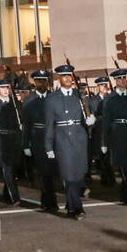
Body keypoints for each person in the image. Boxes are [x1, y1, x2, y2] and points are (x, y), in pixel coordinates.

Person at [43, 64, 95, 218]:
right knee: (69, 174)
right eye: (64, 76)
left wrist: (90, 121)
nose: (67, 78)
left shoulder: (80, 96)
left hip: (79, 138)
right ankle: (77, 207)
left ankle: (71, 206)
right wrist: (48, 146)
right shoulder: (52, 98)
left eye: (69, 76)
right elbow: (49, 124)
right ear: (59, 79)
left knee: (78, 174)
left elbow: (86, 115)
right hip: (63, 139)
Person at [101, 69, 127, 205]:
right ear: (115, 81)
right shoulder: (109, 98)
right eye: (119, 79)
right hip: (117, 134)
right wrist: (104, 142)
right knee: (124, 167)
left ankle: (124, 196)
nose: (123, 81)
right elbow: (106, 122)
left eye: (124, 78)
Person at [22, 69, 59, 212]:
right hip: (37, 137)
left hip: (54, 136)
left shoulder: (53, 97)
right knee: (44, 172)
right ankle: (49, 201)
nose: (41, 84)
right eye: (38, 81)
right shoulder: (29, 99)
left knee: (53, 171)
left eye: (44, 81)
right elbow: (26, 124)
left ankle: (49, 199)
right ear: (35, 82)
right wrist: (26, 144)